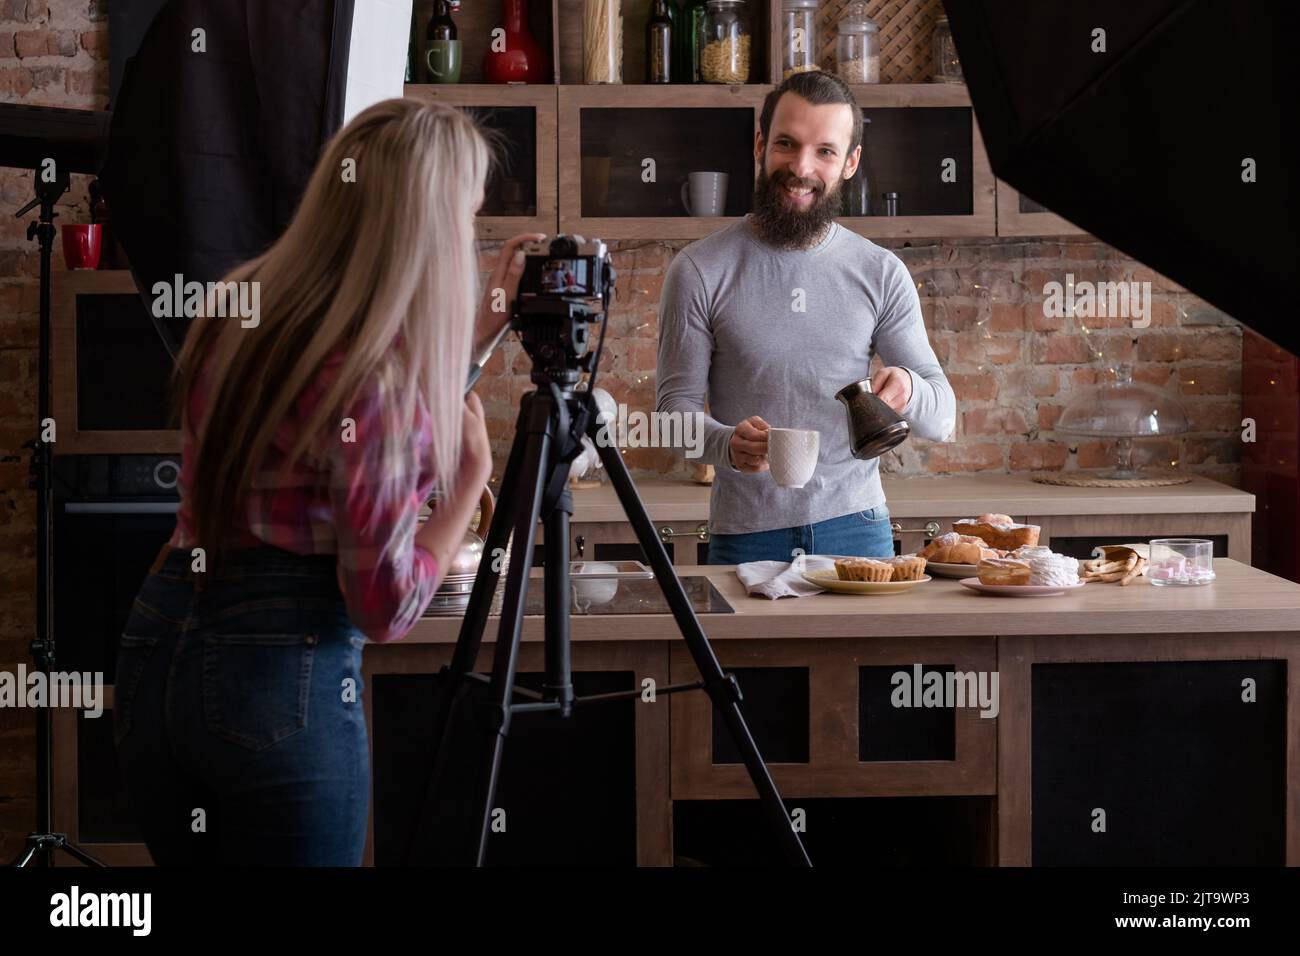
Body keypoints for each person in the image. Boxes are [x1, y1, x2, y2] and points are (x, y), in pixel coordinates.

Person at [112, 97, 545, 865]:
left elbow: (335, 424)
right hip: (278, 677)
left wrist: (475, 336)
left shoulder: (239, 307)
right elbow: (385, 607)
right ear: (427, 227)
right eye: (466, 218)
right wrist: (474, 473)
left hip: (159, 638)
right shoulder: (377, 383)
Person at [656, 71, 956, 565]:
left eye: (825, 151)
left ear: (851, 162)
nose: (801, 167)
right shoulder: (698, 270)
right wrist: (726, 444)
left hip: (858, 531)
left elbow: (942, 418)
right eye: (786, 144)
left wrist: (908, 386)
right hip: (746, 534)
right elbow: (671, 416)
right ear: (760, 144)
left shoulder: (881, 272)